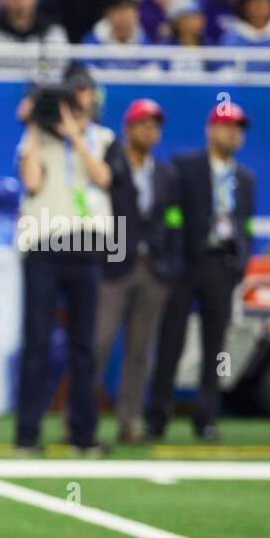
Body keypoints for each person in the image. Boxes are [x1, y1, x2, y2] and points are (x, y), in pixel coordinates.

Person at [12, 72, 114, 453]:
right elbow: (32, 182)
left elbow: (103, 177)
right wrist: (34, 125)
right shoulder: (34, 139)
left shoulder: (101, 138)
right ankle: (26, 436)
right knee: (36, 342)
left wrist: (75, 135)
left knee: (83, 347)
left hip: (86, 249)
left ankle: (83, 436)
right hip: (43, 248)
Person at [146, 102, 256, 442]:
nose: (233, 133)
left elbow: (245, 225)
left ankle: (206, 416)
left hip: (220, 265)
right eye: (226, 126)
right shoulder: (187, 166)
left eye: (238, 128)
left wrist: (239, 264)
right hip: (186, 264)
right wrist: (172, 258)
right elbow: (170, 215)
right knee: (171, 341)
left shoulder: (244, 179)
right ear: (211, 130)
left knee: (216, 347)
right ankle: (158, 416)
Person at [94, 99, 182, 444]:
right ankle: (79, 419)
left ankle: (128, 422)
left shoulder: (165, 174)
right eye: (143, 124)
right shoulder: (112, 167)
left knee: (140, 351)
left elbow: (174, 222)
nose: (150, 130)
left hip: (154, 270)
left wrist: (169, 265)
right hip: (115, 266)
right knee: (98, 343)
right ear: (127, 130)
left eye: (154, 125)